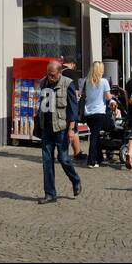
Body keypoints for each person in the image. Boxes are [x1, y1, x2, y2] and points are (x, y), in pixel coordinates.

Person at [35, 60, 82, 203]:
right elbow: (41, 104)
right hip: (47, 127)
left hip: (62, 127)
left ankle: (75, 180)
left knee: (63, 158)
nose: (50, 78)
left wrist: (71, 129)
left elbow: (73, 108)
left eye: (53, 75)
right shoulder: (43, 82)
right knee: (47, 161)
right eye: (48, 75)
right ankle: (50, 194)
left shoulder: (68, 83)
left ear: (59, 72)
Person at [80, 61, 115, 168]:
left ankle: (99, 158)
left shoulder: (86, 81)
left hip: (88, 112)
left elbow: (82, 95)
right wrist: (113, 100)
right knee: (94, 136)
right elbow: (108, 97)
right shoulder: (104, 81)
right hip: (99, 112)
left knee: (95, 135)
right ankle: (91, 160)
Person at [62, 59, 83, 159]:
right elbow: (76, 93)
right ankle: (77, 153)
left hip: (59, 106)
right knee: (72, 128)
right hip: (69, 104)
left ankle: (76, 152)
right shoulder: (72, 74)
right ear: (72, 64)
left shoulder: (57, 72)